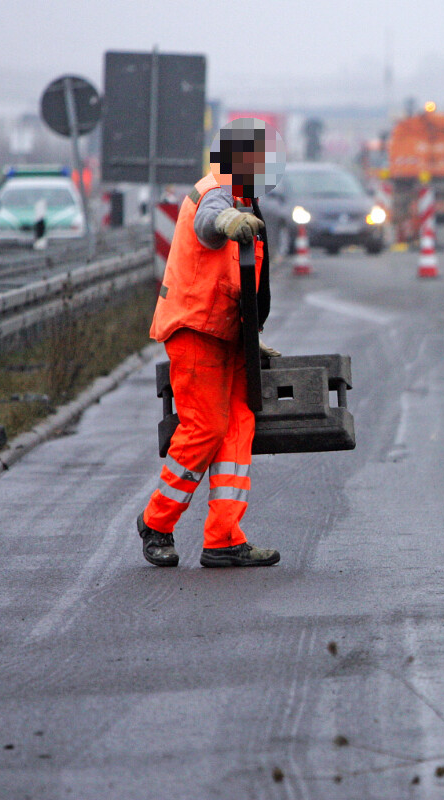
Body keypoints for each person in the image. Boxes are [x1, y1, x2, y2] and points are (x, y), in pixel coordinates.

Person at [136, 119, 284, 568]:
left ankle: (223, 539)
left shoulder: (243, 199)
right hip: (196, 329)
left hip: (226, 334)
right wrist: (229, 220)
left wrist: (250, 340)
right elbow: (207, 223)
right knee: (205, 427)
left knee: (238, 425)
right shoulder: (218, 190)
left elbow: (240, 283)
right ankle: (156, 522)